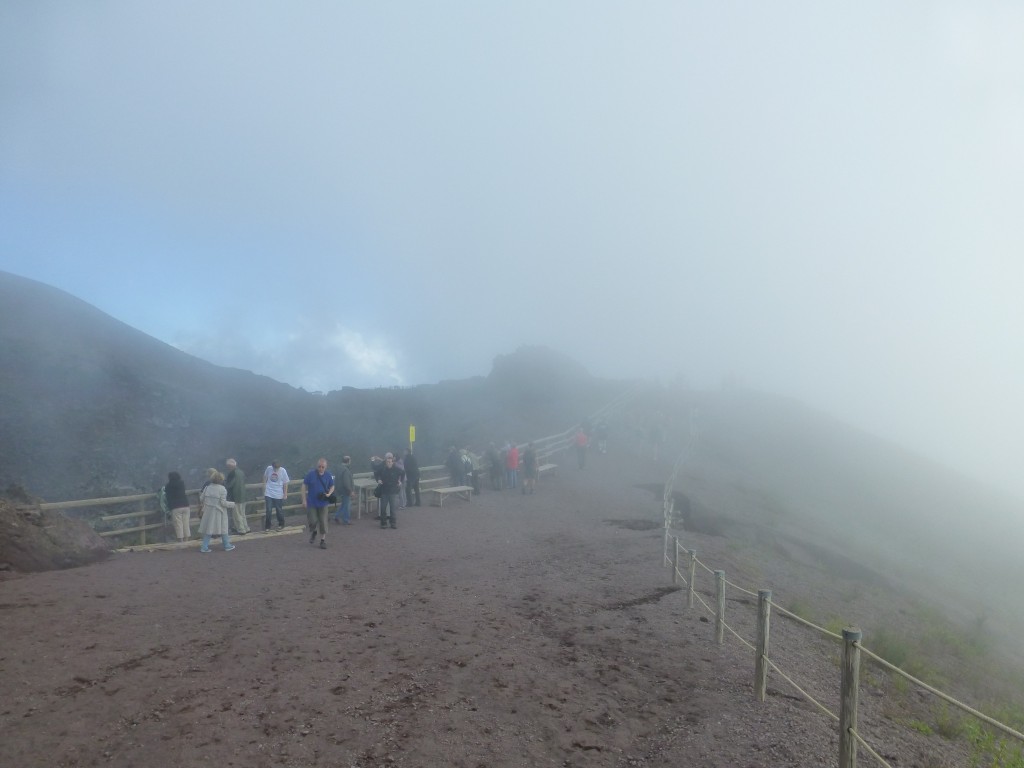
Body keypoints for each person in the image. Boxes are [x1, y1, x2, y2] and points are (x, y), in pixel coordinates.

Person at [302, 458, 334, 549]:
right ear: (317, 466)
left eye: (323, 467)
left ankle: (323, 541)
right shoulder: (311, 474)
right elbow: (304, 485)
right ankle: (314, 531)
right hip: (311, 502)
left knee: (323, 522)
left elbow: (332, 486)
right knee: (312, 521)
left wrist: (329, 493)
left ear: (326, 467)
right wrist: (304, 500)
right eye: (319, 466)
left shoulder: (328, 475)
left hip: (323, 503)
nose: (321, 468)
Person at [198, 471, 234, 553]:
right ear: (221, 480)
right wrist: (233, 504)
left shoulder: (207, 487)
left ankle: (204, 547)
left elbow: (201, 499)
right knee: (224, 528)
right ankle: (227, 545)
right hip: (219, 512)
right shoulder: (222, 489)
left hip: (208, 511)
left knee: (208, 529)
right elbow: (223, 503)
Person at [374, 452, 403, 529]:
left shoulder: (396, 469)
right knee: (383, 508)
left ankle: (393, 523)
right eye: (387, 461)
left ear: (392, 462)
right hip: (384, 491)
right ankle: (383, 523)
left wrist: (400, 481)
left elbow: (403, 473)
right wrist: (378, 480)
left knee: (393, 508)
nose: (389, 463)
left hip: (393, 491)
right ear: (385, 462)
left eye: (390, 461)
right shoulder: (382, 469)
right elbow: (376, 473)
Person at [164, 471, 191, 542]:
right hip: (185, 505)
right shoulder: (181, 483)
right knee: (186, 523)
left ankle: (181, 541)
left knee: (178, 524)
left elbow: (167, 496)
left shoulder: (168, 486)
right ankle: (187, 540)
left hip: (176, 507)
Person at [225, 458, 250, 535]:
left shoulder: (232, 473)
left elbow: (229, 485)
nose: (227, 467)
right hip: (243, 495)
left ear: (230, 466)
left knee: (237, 515)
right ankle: (246, 528)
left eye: (228, 466)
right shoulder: (241, 472)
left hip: (235, 496)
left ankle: (241, 530)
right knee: (242, 513)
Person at [262, 460, 289, 531]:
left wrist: (285, 493)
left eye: (277, 468)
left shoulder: (283, 471)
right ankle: (267, 526)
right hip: (269, 492)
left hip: (278, 493)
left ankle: (281, 524)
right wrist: (264, 487)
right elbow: (265, 477)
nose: (275, 470)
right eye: (274, 468)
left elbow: (285, 482)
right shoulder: (269, 468)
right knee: (268, 510)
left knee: (279, 510)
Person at [334, 455, 354, 525]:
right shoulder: (346, 470)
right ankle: (345, 519)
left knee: (344, 504)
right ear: (348, 461)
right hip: (345, 490)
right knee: (347, 505)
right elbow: (346, 482)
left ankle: (338, 516)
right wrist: (350, 490)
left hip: (339, 489)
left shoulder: (339, 468)